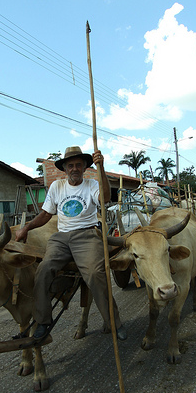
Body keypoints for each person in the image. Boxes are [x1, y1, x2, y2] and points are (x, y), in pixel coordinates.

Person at [15, 146, 127, 340]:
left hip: (87, 235)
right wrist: (26, 228)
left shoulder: (92, 184)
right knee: (43, 270)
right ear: (65, 169)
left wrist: (101, 168)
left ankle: (113, 322)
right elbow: (45, 214)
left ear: (84, 168)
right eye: (70, 166)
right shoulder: (57, 187)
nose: (74, 168)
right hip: (61, 237)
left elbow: (106, 198)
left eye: (78, 165)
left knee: (94, 273)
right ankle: (42, 321)